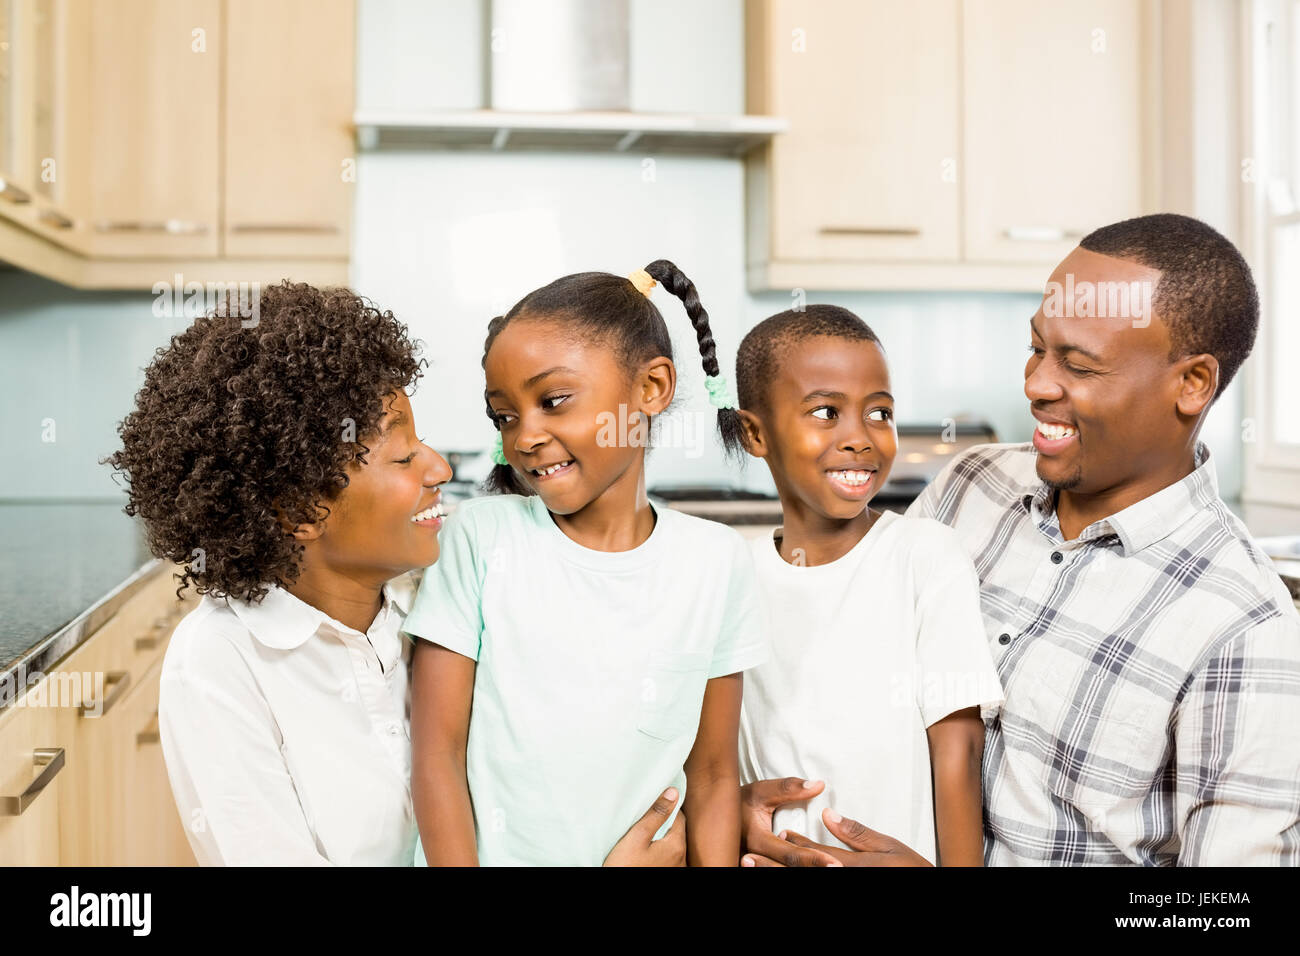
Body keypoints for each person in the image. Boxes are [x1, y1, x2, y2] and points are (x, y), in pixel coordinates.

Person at [747, 213, 1300, 866]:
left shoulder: (1244, 626)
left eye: (1078, 364)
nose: (1037, 384)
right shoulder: (968, 485)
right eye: (1037, 347)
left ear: (1192, 383)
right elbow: (832, 684)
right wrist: (746, 802)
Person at [109, 281, 685, 866]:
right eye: (404, 456)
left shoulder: (458, 590)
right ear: (302, 508)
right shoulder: (221, 663)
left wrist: (729, 806)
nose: (438, 467)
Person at [403, 261, 768, 866]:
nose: (525, 436)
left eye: (554, 400)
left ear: (650, 389)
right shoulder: (477, 539)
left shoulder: (715, 562)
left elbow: (712, 775)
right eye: (506, 415)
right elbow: (436, 755)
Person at [725, 304, 1004, 867]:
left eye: (879, 413)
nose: (860, 438)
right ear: (755, 433)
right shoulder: (733, 575)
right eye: (825, 412)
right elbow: (714, 758)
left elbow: (959, 745)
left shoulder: (925, 555)